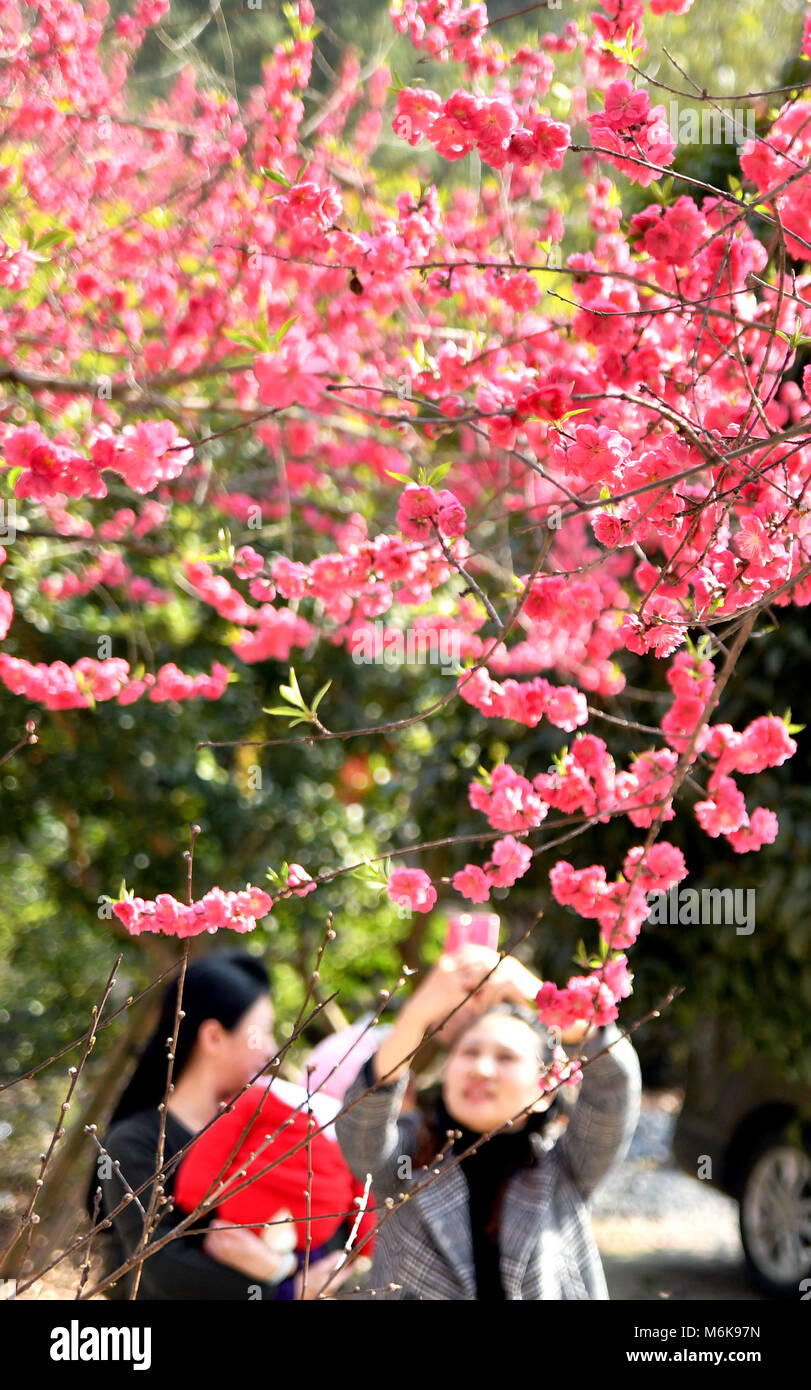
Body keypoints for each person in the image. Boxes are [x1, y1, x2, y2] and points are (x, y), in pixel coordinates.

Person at [335, 946, 642, 1300]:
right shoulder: (407, 1161)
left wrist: (553, 1003)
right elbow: (361, 1127)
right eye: (469, 1052)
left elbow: (613, 1089)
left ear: (546, 1089)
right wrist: (418, 1013)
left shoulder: (566, 1167)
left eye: (506, 1057)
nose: (481, 1069)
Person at [89, 950, 357, 1300]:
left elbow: (326, 1213)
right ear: (214, 1037)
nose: (273, 1051)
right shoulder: (134, 1142)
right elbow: (163, 1270)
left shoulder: (270, 1128)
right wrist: (287, 1285)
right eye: (262, 1033)